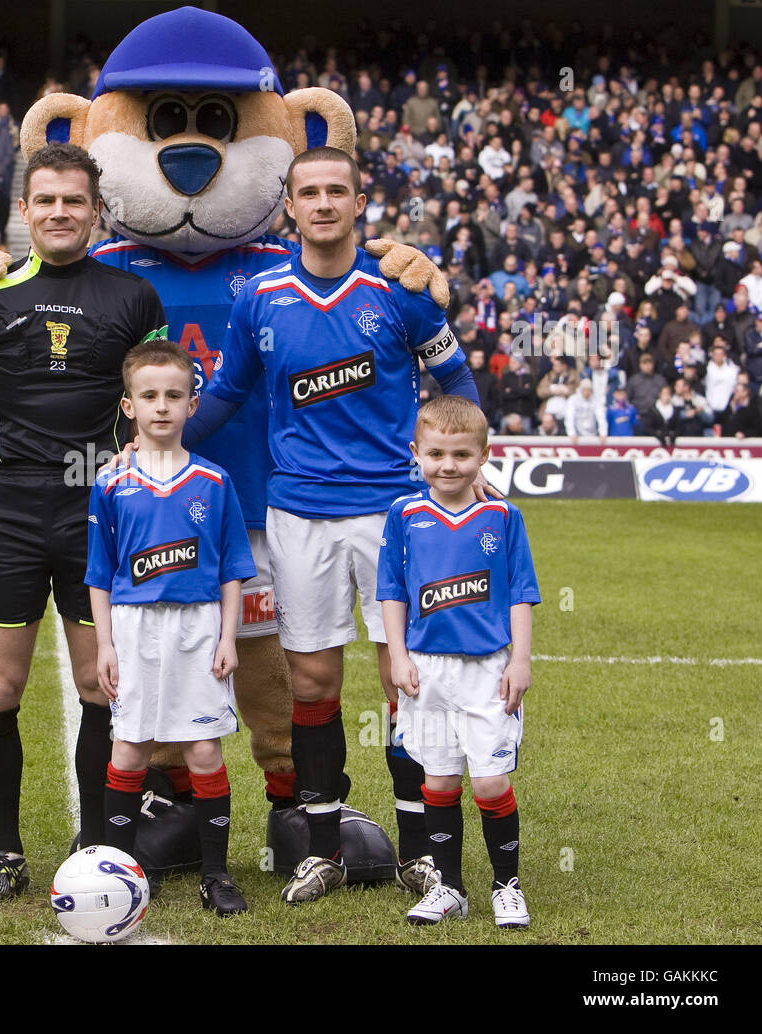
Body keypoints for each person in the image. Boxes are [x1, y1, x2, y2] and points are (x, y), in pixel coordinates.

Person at [182, 147, 482, 903]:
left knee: (405, 679)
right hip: (298, 515)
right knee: (312, 680)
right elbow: (225, 394)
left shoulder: (401, 291)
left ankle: (421, 851)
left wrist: (470, 461)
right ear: (290, 206)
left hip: (392, 513)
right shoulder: (262, 297)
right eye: (308, 192)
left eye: (336, 191)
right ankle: (322, 847)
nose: (322, 203)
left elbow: (457, 379)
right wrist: (160, 447)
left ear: (357, 203)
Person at [0, 142, 167, 900]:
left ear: (96, 210)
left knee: (104, 687)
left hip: (99, 517)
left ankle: (99, 844)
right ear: (24, 211)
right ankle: (4, 852)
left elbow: (152, 408)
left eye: (75, 200)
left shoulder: (133, 298)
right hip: (7, 514)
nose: (61, 212)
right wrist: (1, 483)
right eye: (47, 200)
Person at [87, 341, 256, 915]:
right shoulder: (110, 484)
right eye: (149, 395)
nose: (162, 406)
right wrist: (106, 645)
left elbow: (234, 569)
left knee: (204, 749)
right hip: (134, 630)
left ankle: (216, 873)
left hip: (198, 627)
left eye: (174, 396)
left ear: (191, 403)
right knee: (131, 748)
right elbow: (100, 573)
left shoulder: (213, 481)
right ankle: (121, 870)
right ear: (128, 406)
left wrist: (229, 638)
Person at [378, 395, 540, 928]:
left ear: (484, 456)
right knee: (440, 780)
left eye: (462, 455)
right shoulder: (404, 515)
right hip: (425, 670)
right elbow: (393, 590)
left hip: (487, 671)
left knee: (489, 783)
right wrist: (398, 655)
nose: (448, 465)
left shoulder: (502, 515)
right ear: (416, 454)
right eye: (437, 454)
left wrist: (520, 660)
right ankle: (449, 888)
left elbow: (520, 590)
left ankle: (506, 886)